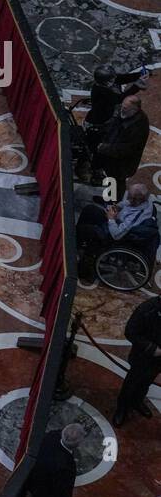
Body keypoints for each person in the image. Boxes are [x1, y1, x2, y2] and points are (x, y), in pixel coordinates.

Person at [75, 182, 158, 281]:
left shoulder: (137, 216)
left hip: (117, 236)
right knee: (90, 209)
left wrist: (111, 219)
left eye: (130, 197)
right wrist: (117, 207)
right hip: (117, 223)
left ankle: (85, 267)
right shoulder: (142, 201)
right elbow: (127, 203)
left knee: (86, 229)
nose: (127, 198)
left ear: (137, 200)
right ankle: (78, 243)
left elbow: (116, 235)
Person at [115, 294, 161, 425]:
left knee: (147, 382)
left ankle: (137, 401)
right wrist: (152, 348)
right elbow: (130, 332)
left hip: (158, 361)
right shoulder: (147, 309)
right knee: (131, 383)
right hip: (143, 357)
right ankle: (121, 409)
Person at [84, 64, 150, 153]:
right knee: (96, 146)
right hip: (97, 123)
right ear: (105, 82)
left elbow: (122, 78)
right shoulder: (100, 90)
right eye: (111, 79)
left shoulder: (106, 81)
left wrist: (139, 75)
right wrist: (137, 86)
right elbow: (119, 99)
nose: (114, 80)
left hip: (104, 119)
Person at [94, 94, 150, 196]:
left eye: (125, 108)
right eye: (122, 106)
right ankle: (108, 198)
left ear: (135, 109)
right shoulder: (126, 114)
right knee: (111, 179)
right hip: (112, 159)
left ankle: (113, 203)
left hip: (122, 164)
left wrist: (104, 148)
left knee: (117, 183)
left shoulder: (139, 127)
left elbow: (126, 149)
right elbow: (114, 125)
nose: (122, 109)